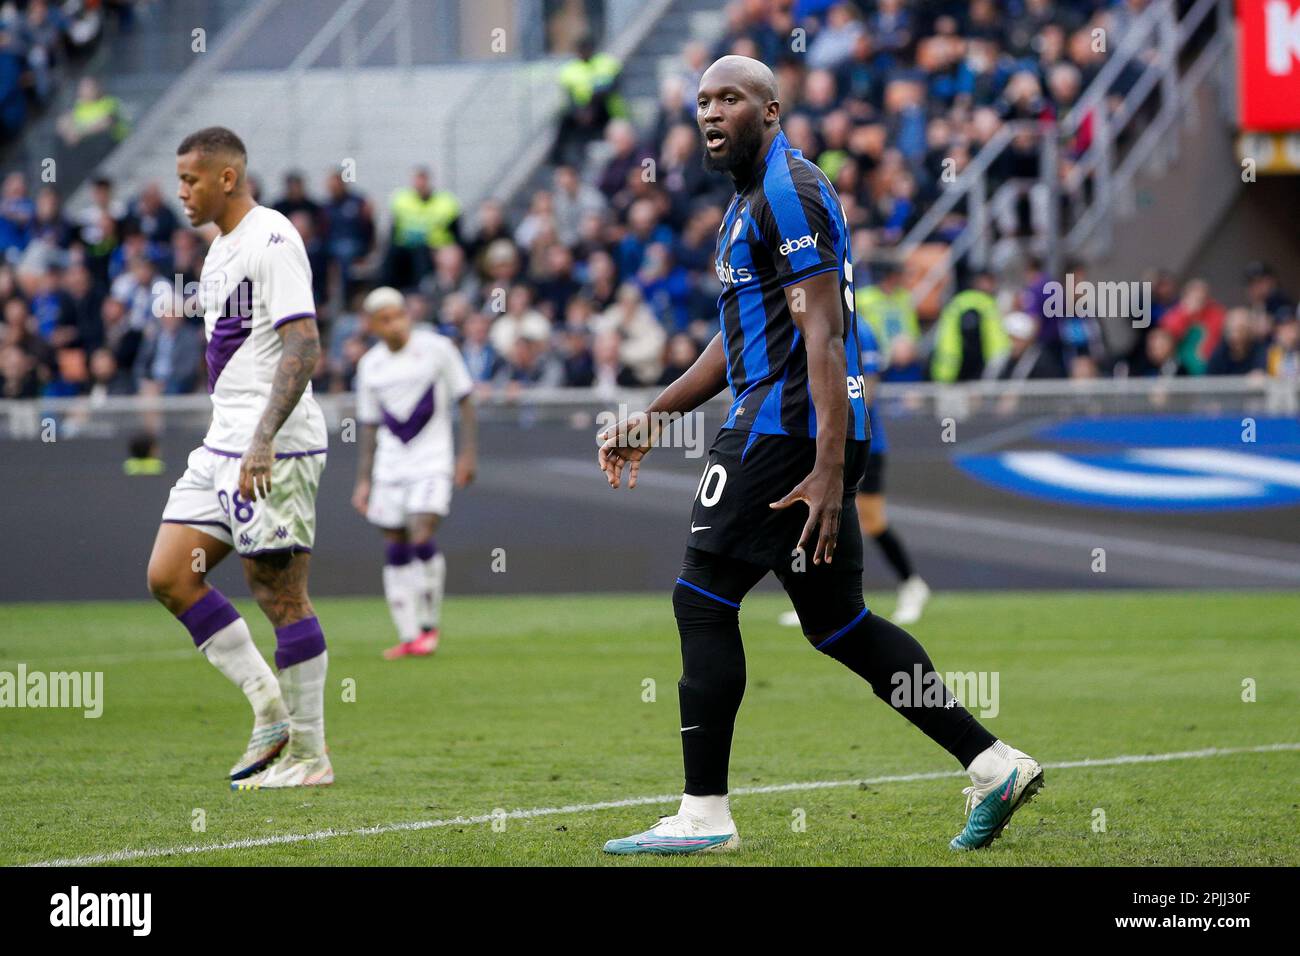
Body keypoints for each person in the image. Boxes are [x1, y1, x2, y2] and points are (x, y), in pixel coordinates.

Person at [596, 55, 1041, 855]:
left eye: (729, 98)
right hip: (799, 427)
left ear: (770, 111)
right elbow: (735, 340)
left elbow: (823, 333)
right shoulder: (746, 204)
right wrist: (655, 416)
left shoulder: (787, 191)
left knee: (702, 599)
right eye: (702, 100)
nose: (710, 112)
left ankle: (704, 814)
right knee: (839, 624)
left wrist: (830, 470)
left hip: (786, 428)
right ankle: (992, 763)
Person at [145, 127, 333, 790]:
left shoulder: (272, 236)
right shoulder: (219, 250)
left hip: (271, 447)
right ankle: (269, 709)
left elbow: (304, 345)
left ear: (227, 177)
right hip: (221, 447)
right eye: (178, 181)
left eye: (191, 180)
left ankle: (311, 757)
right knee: (171, 575)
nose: (181, 193)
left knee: (278, 595)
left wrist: (262, 440)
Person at [351, 287, 478, 660]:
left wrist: (467, 455)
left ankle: (429, 624)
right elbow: (369, 425)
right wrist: (364, 479)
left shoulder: (437, 348)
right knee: (395, 542)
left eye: (399, 315)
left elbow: (465, 399)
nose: (395, 325)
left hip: (432, 462)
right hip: (390, 467)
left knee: (421, 533)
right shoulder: (370, 365)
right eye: (385, 319)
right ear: (373, 325)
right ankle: (408, 634)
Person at [779, 318, 930, 629]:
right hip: (822, 443)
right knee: (814, 516)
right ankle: (814, 599)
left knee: (871, 520)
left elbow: (868, 390)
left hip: (860, 443)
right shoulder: (806, 323)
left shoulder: (859, 328)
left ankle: (911, 584)